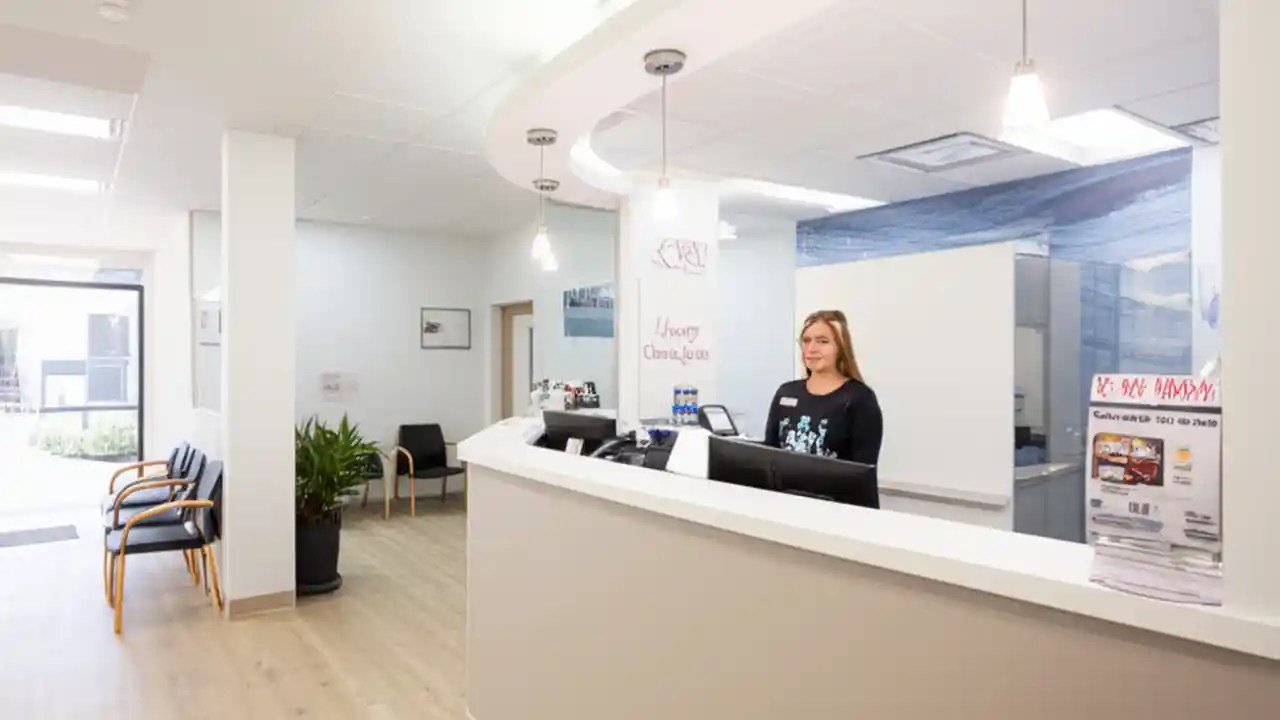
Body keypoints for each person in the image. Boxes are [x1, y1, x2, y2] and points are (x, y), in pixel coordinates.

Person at [764, 309, 882, 466]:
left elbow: (863, 471)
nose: (811, 349)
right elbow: (769, 454)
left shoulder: (859, 399)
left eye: (822, 341)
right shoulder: (786, 393)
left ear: (841, 348)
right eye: (806, 341)